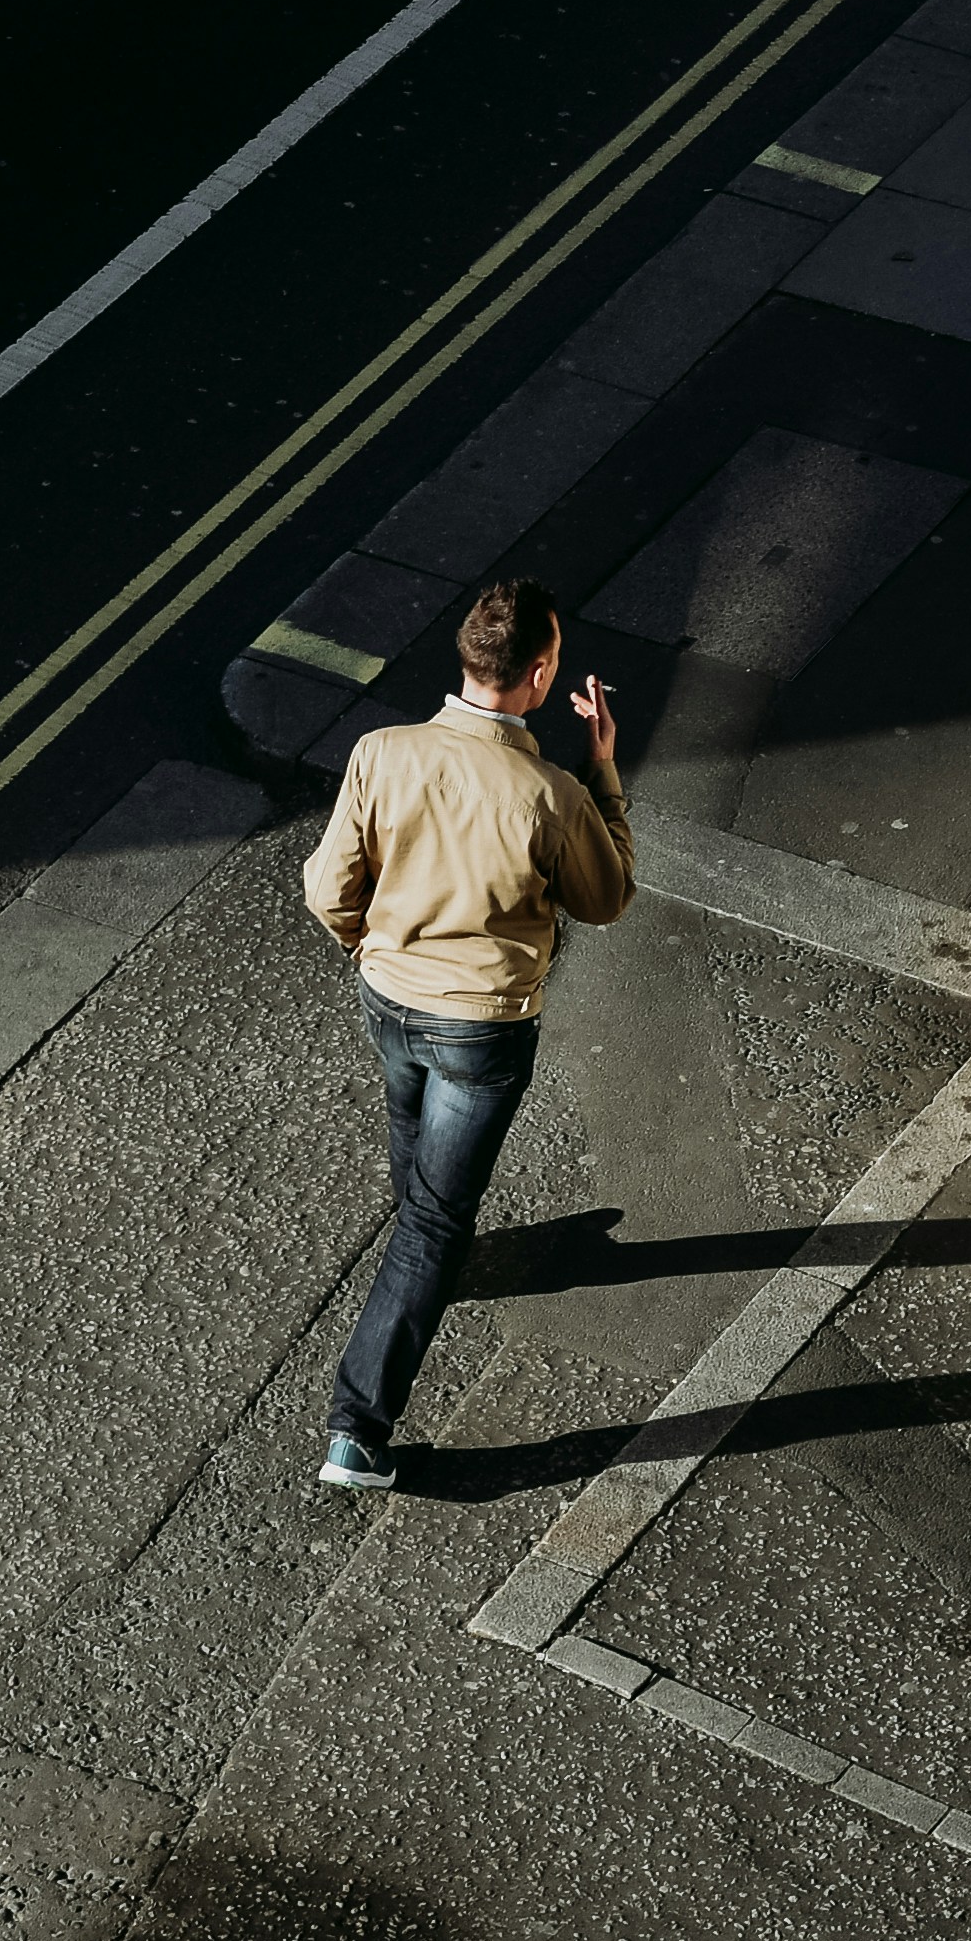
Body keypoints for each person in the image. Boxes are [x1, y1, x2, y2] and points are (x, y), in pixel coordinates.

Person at [299, 576, 632, 1491]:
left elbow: (328, 890)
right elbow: (607, 898)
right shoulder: (551, 793)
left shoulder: (382, 752)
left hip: (388, 996)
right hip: (482, 1027)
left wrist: (372, 949)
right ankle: (357, 1432)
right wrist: (603, 770)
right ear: (538, 676)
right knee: (434, 1221)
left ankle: (437, 1264)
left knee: (411, 1132)